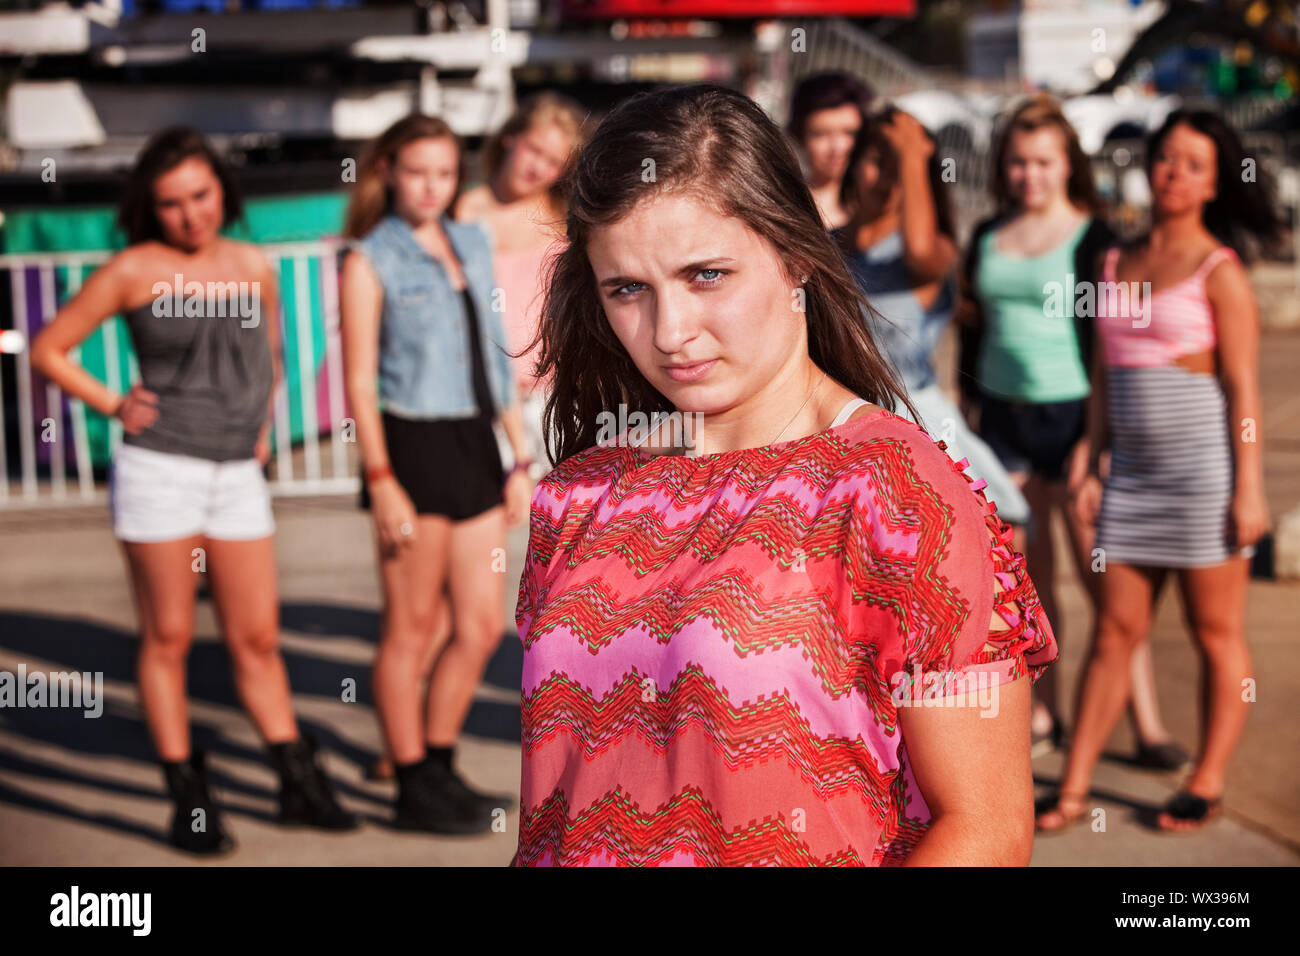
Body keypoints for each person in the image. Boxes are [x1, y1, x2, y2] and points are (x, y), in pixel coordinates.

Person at [511, 84, 1058, 866]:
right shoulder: (579, 494)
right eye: (628, 289)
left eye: (707, 275)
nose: (671, 332)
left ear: (795, 253)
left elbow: (985, 830)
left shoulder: (894, 490)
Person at [30, 127, 357, 855]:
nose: (190, 214)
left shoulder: (252, 264)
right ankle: (188, 795)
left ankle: (295, 778)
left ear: (222, 190)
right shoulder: (132, 269)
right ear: (152, 207)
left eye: (201, 196)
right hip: (160, 473)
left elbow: (268, 351)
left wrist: (263, 423)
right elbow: (50, 348)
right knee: (170, 638)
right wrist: (114, 404)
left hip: (237, 474)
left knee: (257, 639)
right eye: (172, 203)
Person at [1036, 110, 1281, 833]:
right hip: (1131, 479)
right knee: (1115, 630)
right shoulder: (1114, 262)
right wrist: (1090, 456)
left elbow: (1243, 391)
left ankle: (1205, 779)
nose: (1173, 173)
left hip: (1206, 479)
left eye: (1193, 164)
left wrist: (1251, 489)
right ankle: (1075, 786)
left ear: (1212, 183)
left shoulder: (1220, 271)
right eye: (1166, 158)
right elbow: (1108, 376)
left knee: (1215, 633)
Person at [960, 93, 1185, 765]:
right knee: (1029, 584)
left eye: (1044, 161)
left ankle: (1145, 722)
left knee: (1108, 589)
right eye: (1018, 162)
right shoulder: (986, 236)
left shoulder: (1097, 239)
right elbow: (974, 332)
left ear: (1068, 165)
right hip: (1003, 422)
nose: (1030, 175)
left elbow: (1113, 346)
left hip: (1075, 420)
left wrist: (1100, 440)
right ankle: (1045, 715)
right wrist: (970, 421)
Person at [339, 113, 534, 834]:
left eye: (446, 173)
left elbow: (495, 352)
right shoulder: (370, 260)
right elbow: (360, 382)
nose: (432, 187)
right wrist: (381, 477)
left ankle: (439, 763)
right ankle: (413, 783)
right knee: (412, 628)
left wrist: (518, 457)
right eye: (417, 171)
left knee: (481, 625)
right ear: (388, 170)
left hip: (474, 443)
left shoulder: (470, 242)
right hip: (411, 446)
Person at [831, 106, 1030, 528]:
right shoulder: (823, 248)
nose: (886, 176)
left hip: (916, 419)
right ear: (853, 165)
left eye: (898, 164)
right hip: (837, 421)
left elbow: (920, 250)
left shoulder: (932, 252)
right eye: (875, 160)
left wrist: (913, 152)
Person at [454, 91, 586, 481]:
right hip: (480, 393)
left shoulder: (566, 220)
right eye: (534, 149)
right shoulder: (461, 211)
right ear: (511, 137)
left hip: (554, 394)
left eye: (552, 162)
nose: (537, 167)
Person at [786, 71, 875, 230]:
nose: (837, 147)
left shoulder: (880, 206)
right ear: (800, 136)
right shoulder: (785, 208)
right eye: (821, 134)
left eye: (849, 132)